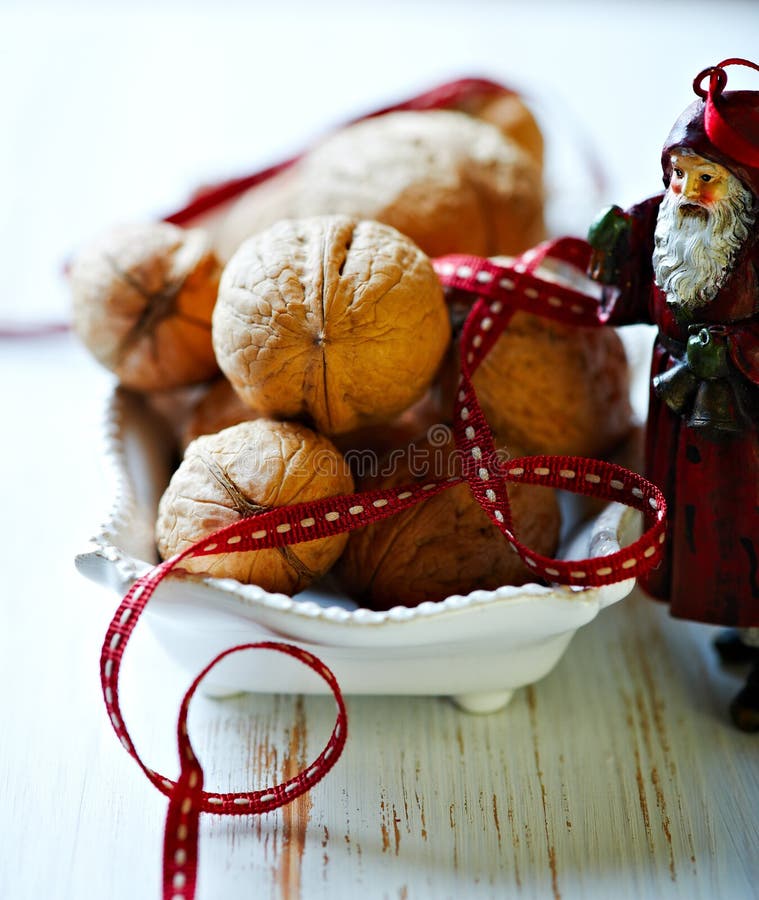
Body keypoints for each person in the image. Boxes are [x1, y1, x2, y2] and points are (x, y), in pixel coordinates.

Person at [587, 58, 759, 731]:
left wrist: (738, 353)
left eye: (704, 177)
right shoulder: (660, 222)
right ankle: (740, 625)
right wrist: (609, 253)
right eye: (677, 173)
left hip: (744, 434)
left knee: (746, 539)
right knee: (706, 541)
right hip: (678, 413)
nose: (684, 189)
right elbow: (635, 293)